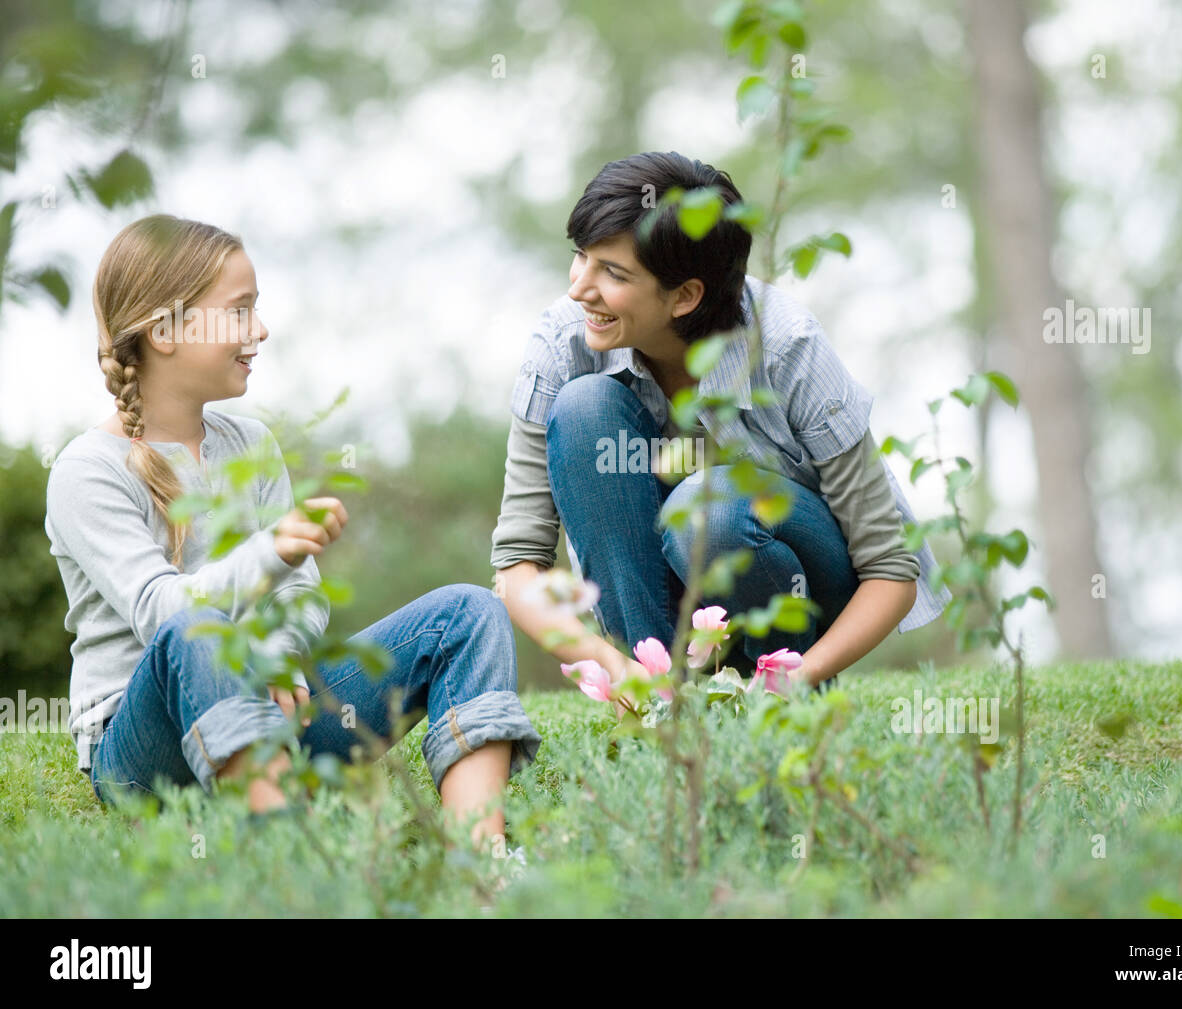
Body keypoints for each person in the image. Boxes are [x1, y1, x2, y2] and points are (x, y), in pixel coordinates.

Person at [45, 214, 540, 845]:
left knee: (469, 613)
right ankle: (287, 863)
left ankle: (483, 859)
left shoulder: (249, 443)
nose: (261, 330)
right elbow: (158, 610)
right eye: (241, 310)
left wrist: (279, 658)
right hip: (147, 755)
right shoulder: (87, 471)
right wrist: (267, 551)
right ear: (165, 330)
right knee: (197, 630)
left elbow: (296, 594)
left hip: (278, 711)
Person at [490, 151, 951, 692]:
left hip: (800, 576)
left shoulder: (786, 347)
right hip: (666, 617)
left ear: (685, 295)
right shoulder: (563, 341)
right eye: (581, 257)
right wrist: (612, 667)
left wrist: (799, 676)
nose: (578, 288)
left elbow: (890, 571)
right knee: (585, 406)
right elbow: (517, 564)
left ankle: (772, 689)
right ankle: (666, 696)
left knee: (710, 510)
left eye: (612, 273)